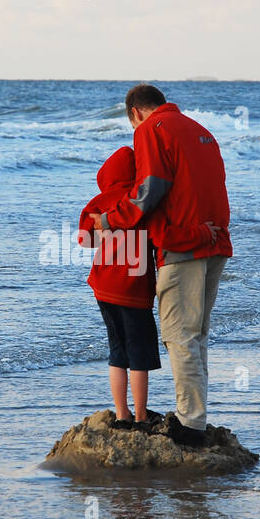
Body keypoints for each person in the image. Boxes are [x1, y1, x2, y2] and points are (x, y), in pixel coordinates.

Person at [95, 84, 232, 447]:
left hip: (182, 245)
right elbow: (212, 186)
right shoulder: (201, 131)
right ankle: (196, 416)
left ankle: (191, 424)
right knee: (198, 333)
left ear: (136, 113)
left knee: (179, 335)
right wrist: (209, 231)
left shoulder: (151, 130)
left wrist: (111, 220)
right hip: (215, 239)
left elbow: (149, 190)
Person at [78, 146, 160, 429]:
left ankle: (122, 413)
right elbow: (159, 237)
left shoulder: (98, 203)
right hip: (134, 289)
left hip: (103, 287)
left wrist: (106, 236)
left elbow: (85, 241)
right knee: (139, 352)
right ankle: (140, 416)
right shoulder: (141, 202)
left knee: (117, 349)